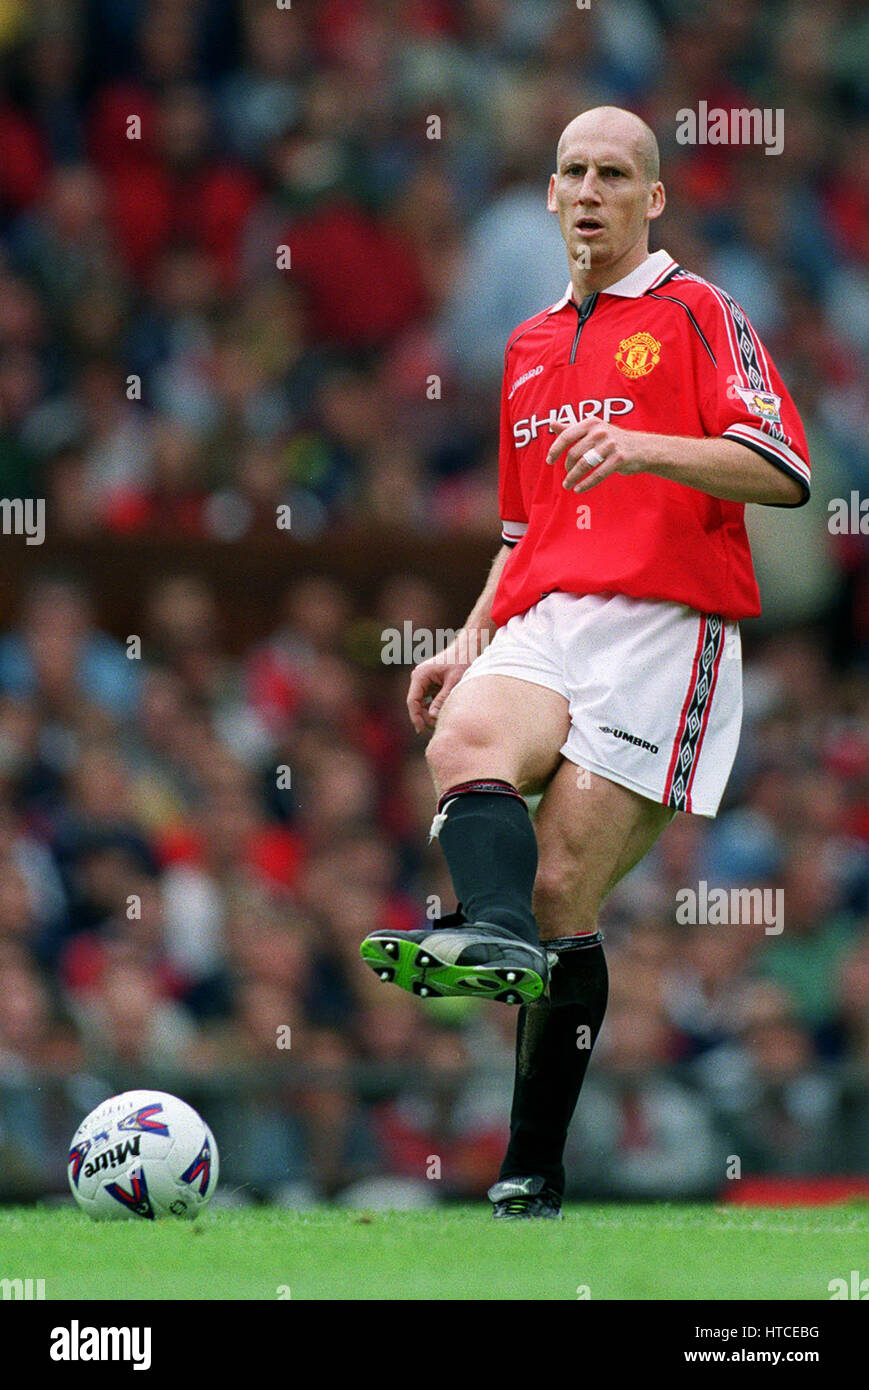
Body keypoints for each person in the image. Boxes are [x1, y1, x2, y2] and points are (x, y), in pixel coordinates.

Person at [360, 106, 810, 1219]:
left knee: (562, 886)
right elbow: (524, 534)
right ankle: (492, 933)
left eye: (615, 172)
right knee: (460, 732)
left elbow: (782, 465)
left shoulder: (698, 311)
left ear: (649, 198)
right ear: (551, 195)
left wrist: (640, 444)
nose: (592, 189)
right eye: (573, 171)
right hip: (550, 612)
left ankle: (530, 1164)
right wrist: (465, 639)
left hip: (666, 623)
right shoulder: (523, 347)